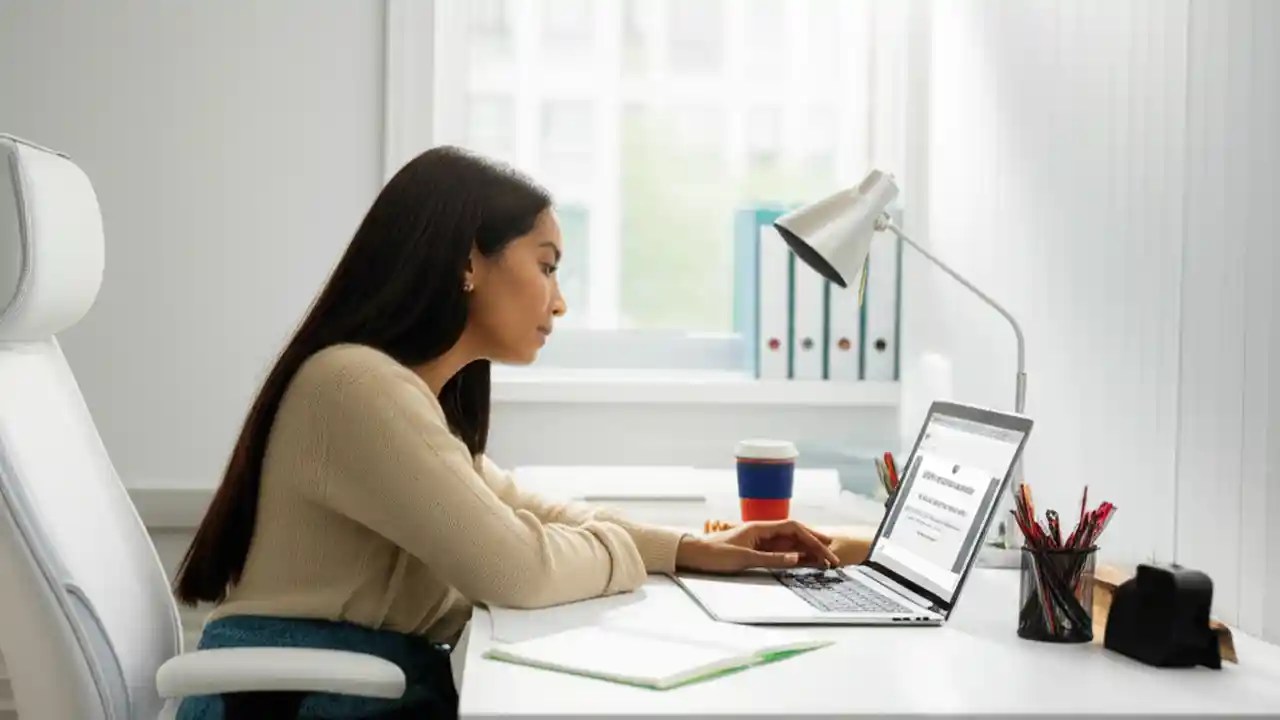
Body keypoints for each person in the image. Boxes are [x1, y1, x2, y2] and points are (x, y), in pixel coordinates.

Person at [172, 146, 865, 719]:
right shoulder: (356, 386)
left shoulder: (406, 396)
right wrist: (628, 553)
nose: (558, 301)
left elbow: (528, 510)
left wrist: (688, 549)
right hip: (292, 704)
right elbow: (516, 567)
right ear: (468, 262)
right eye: (546, 264)